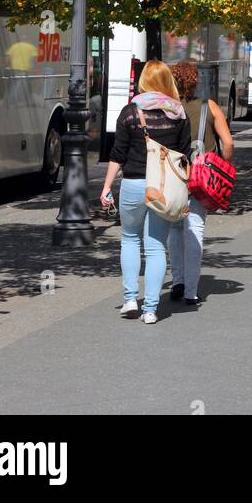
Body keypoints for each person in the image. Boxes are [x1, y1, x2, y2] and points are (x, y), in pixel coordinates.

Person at [100, 61, 191, 324]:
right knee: (155, 248)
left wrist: (107, 186)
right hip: (162, 187)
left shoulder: (130, 112)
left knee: (129, 239)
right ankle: (151, 308)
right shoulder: (178, 113)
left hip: (133, 184)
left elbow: (117, 154)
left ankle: (130, 299)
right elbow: (184, 154)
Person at [167, 62, 234, 306]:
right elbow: (228, 144)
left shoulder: (167, 108)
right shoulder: (210, 107)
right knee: (195, 230)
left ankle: (178, 281)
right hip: (200, 178)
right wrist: (222, 165)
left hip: (173, 177)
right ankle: (191, 292)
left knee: (174, 230)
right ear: (196, 82)